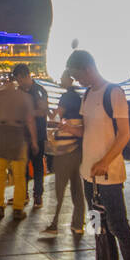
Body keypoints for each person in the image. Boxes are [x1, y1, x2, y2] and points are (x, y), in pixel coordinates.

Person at [66, 50, 130, 260]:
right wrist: (71, 128)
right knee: (99, 228)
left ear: (88, 68)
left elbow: (124, 134)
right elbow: (88, 129)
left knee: (118, 225)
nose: (77, 81)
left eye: (77, 75)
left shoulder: (114, 93)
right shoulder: (88, 94)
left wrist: (104, 161)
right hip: (88, 173)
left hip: (109, 174)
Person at [42, 71, 86, 236]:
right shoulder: (80, 97)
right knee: (77, 188)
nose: (60, 80)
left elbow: (55, 116)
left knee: (58, 188)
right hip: (78, 148)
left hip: (65, 149)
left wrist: (46, 108)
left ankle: (53, 224)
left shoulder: (67, 97)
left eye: (62, 78)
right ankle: (78, 224)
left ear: (70, 79)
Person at [0, 72, 37, 219]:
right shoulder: (24, 97)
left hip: (0, 135)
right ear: (15, 81)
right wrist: (34, 141)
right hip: (17, 136)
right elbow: (30, 120)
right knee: (19, 176)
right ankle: (18, 208)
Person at [12, 63, 49, 208]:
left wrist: (29, 113)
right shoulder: (18, 92)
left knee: (38, 166)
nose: (18, 83)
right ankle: (23, 194)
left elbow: (43, 111)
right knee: (22, 167)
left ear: (26, 76)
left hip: (38, 135)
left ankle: (38, 195)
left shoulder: (39, 91)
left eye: (19, 79)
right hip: (22, 136)